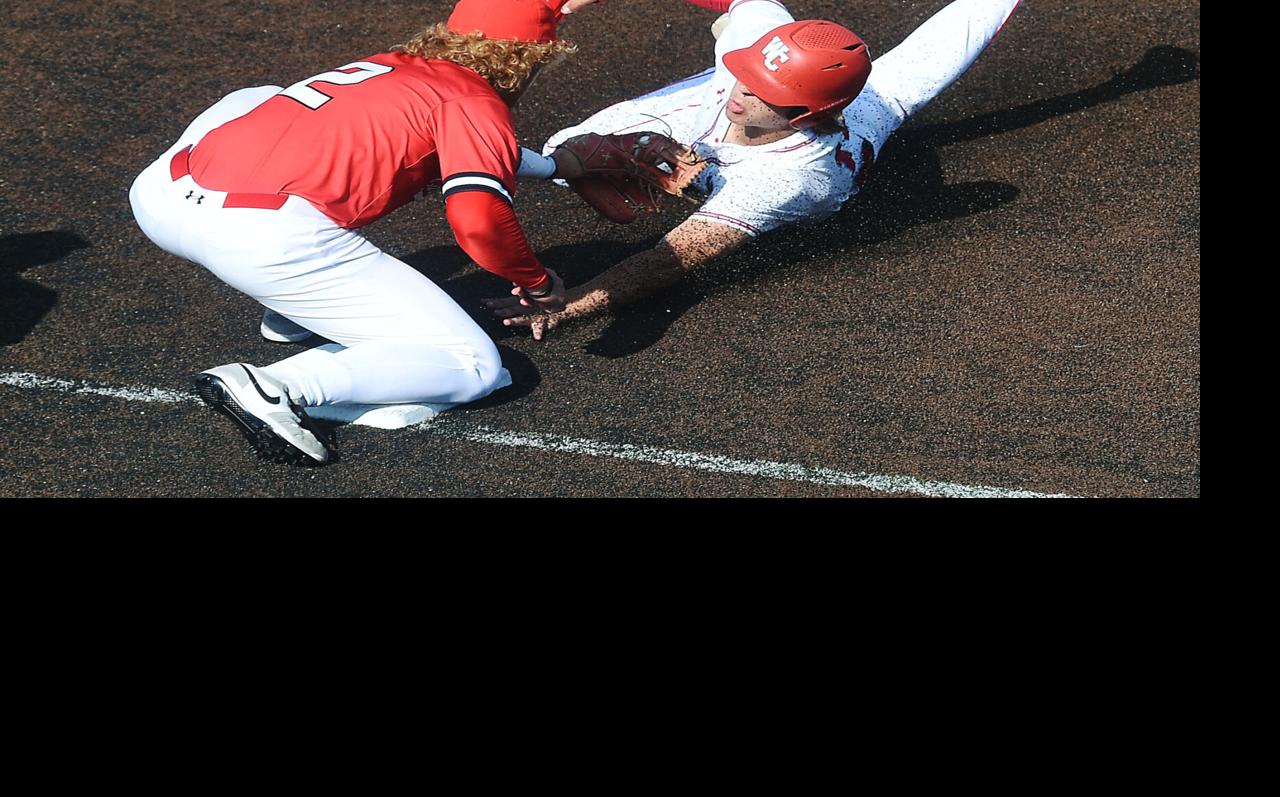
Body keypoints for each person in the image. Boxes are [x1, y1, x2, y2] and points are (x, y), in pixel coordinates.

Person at [129, 0, 582, 466]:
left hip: (161, 194)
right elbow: (479, 221)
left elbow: (474, 142)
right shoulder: (473, 102)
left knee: (262, 98)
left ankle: (296, 309)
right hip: (261, 241)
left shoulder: (391, 66)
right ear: (527, 62)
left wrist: (555, 167)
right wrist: (536, 283)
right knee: (474, 366)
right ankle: (277, 386)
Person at [492, 0, 1023, 340]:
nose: (742, 92)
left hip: (782, 170)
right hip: (695, 121)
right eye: (748, 74)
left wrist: (570, 305)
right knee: (564, 152)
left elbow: (669, 260)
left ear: (806, 114)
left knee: (947, 48)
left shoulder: (788, 181)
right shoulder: (757, 59)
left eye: (763, 92)